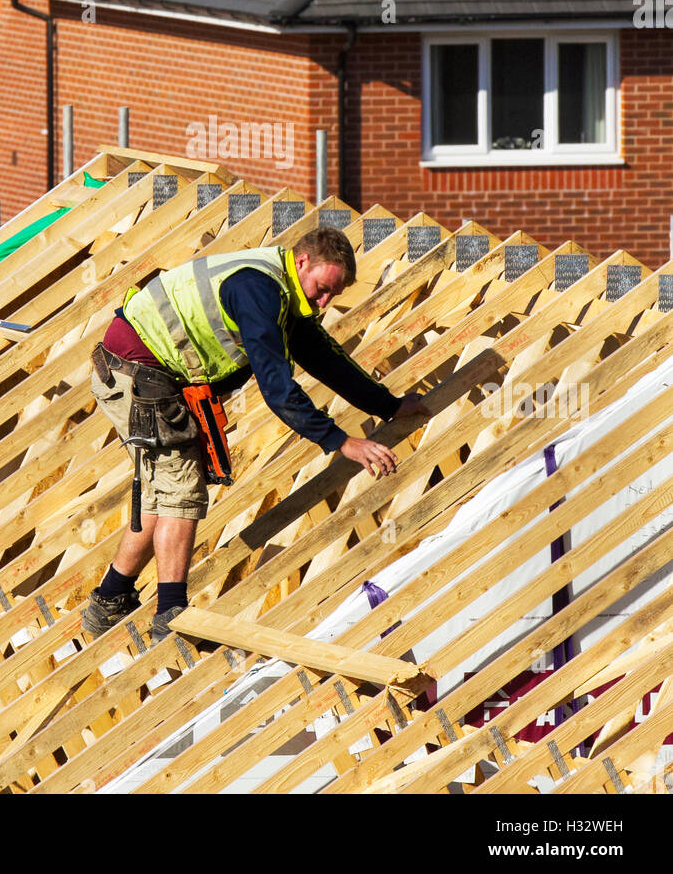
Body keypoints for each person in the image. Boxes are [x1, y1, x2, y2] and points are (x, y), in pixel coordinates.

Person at [81, 225, 430, 641]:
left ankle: (110, 598)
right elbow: (278, 390)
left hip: (144, 371)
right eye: (322, 289)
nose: (324, 302)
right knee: (182, 493)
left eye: (332, 295)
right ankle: (170, 616)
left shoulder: (285, 293)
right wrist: (341, 442)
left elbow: (325, 359)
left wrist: (387, 405)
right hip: (136, 372)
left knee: (165, 491)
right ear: (302, 262)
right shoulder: (258, 291)